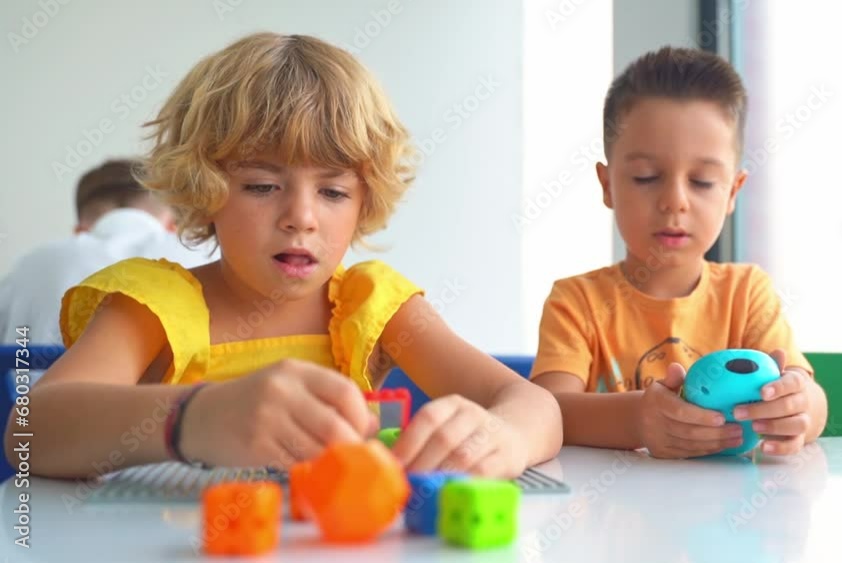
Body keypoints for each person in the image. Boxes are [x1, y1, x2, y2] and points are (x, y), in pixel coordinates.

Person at [5, 32, 561, 479]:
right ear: (205, 190)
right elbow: (29, 432)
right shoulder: (153, 307)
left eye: (333, 192)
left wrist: (507, 437)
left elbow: (533, 404)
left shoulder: (371, 307)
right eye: (262, 186)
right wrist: (195, 418)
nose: (301, 217)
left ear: (364, 202)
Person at [530, 46, 828, 459]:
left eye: (702, 181)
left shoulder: (747, 293)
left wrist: (797, 409)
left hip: (736, 499)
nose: (675, 201)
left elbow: (808, 395)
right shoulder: (576, 303)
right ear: (608, 185)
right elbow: (545, 413)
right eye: (646, 177)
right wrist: (637, 420)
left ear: (733, 192)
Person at [0, 159, 214, 345]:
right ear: (172, 227)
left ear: (79, 231)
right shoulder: (206, 253)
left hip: (32, 381)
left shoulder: (29, 265)